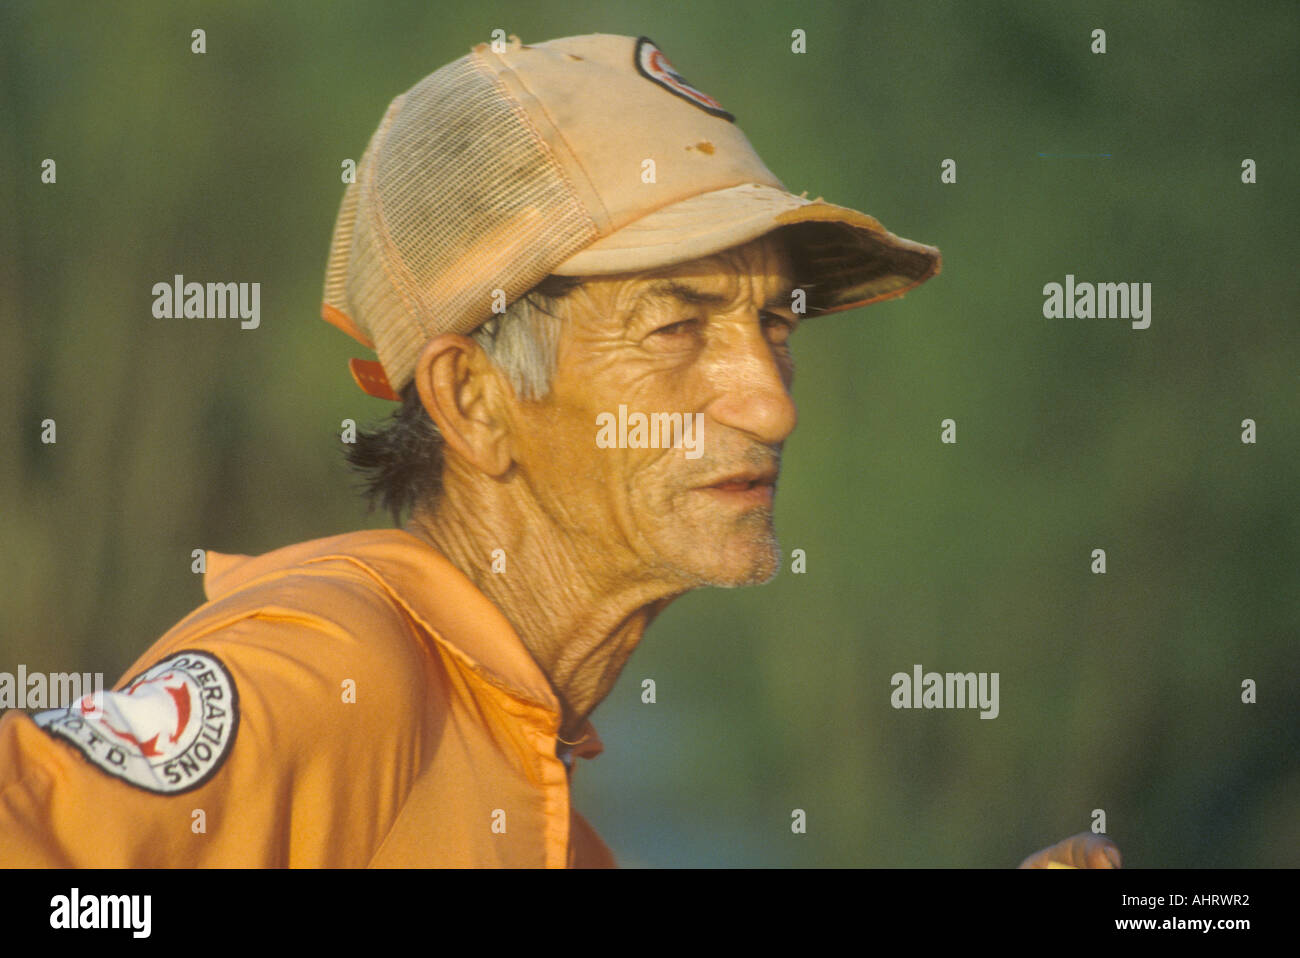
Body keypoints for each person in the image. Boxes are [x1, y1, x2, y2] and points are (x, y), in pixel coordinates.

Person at [0, 33, 1114, 869]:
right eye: (678, 327)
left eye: (773, 323)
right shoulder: (341, 673)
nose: (769, 405)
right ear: (473, 399)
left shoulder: (539, 813)